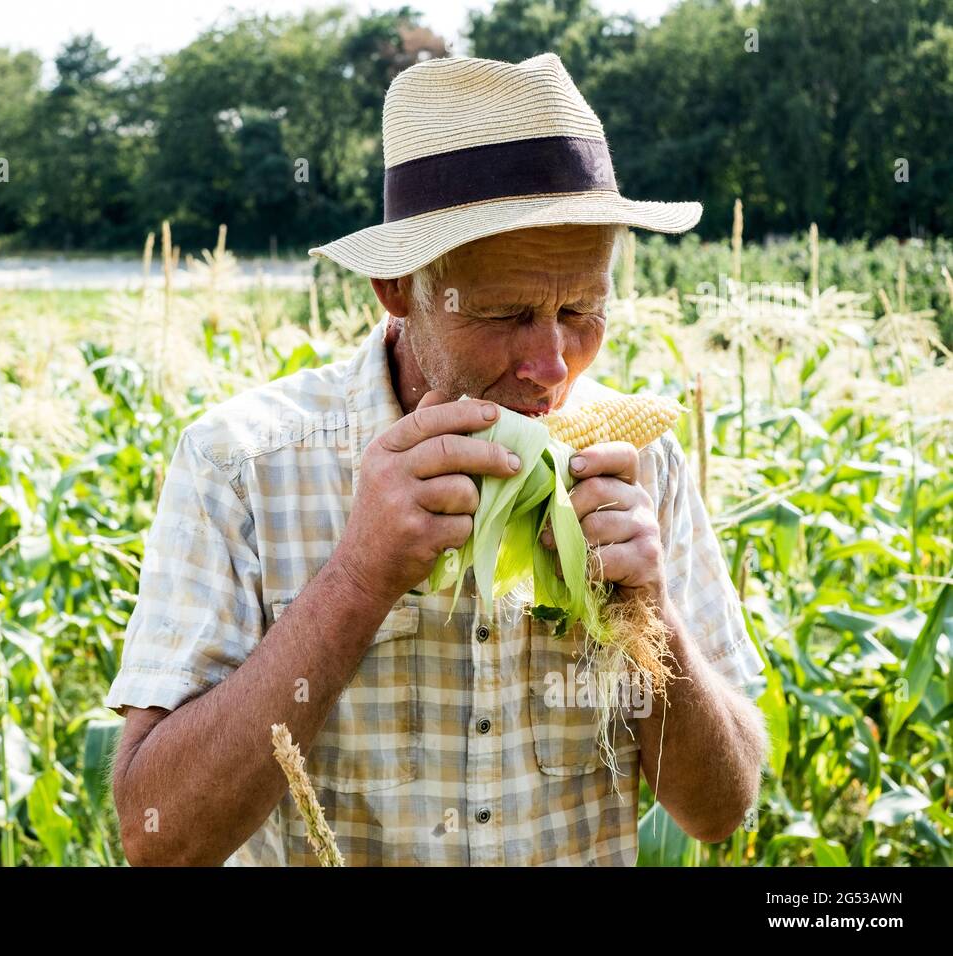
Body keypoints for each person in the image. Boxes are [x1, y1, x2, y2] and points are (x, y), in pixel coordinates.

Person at [104, 52, 768, 866]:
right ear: (396, 286)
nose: (553, 366)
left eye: (581, 310)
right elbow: (156, 838)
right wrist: (358, 577)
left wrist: (648, 610)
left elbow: (721, 809)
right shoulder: (242, 466)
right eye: (504, 314)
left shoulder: (638, 465)